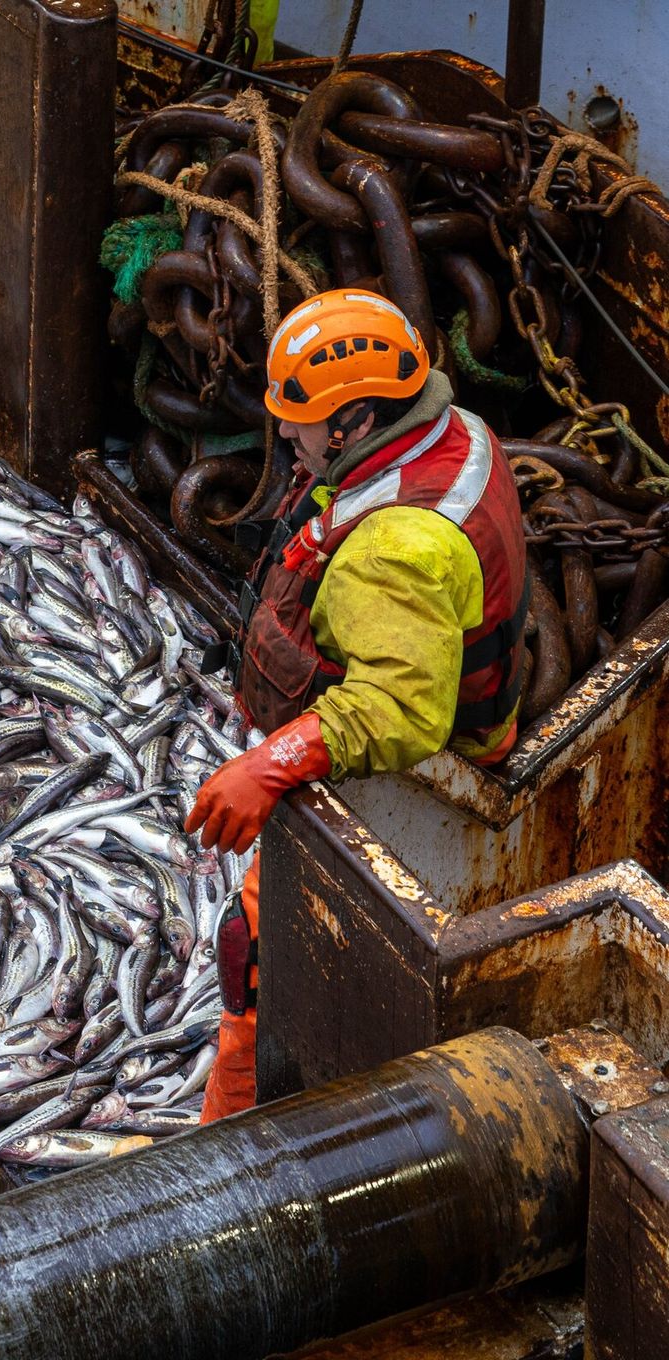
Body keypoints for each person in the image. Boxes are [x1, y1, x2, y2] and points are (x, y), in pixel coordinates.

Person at [183, 288, 529, 1123]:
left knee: (256, 947)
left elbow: (398, 710)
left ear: (357, 421)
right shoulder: (457, 434)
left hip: (417, 789)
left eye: (302, 423)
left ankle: (228, 1134)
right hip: (451, 711)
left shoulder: (396, 547)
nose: (288, 438)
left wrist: (271, 766)